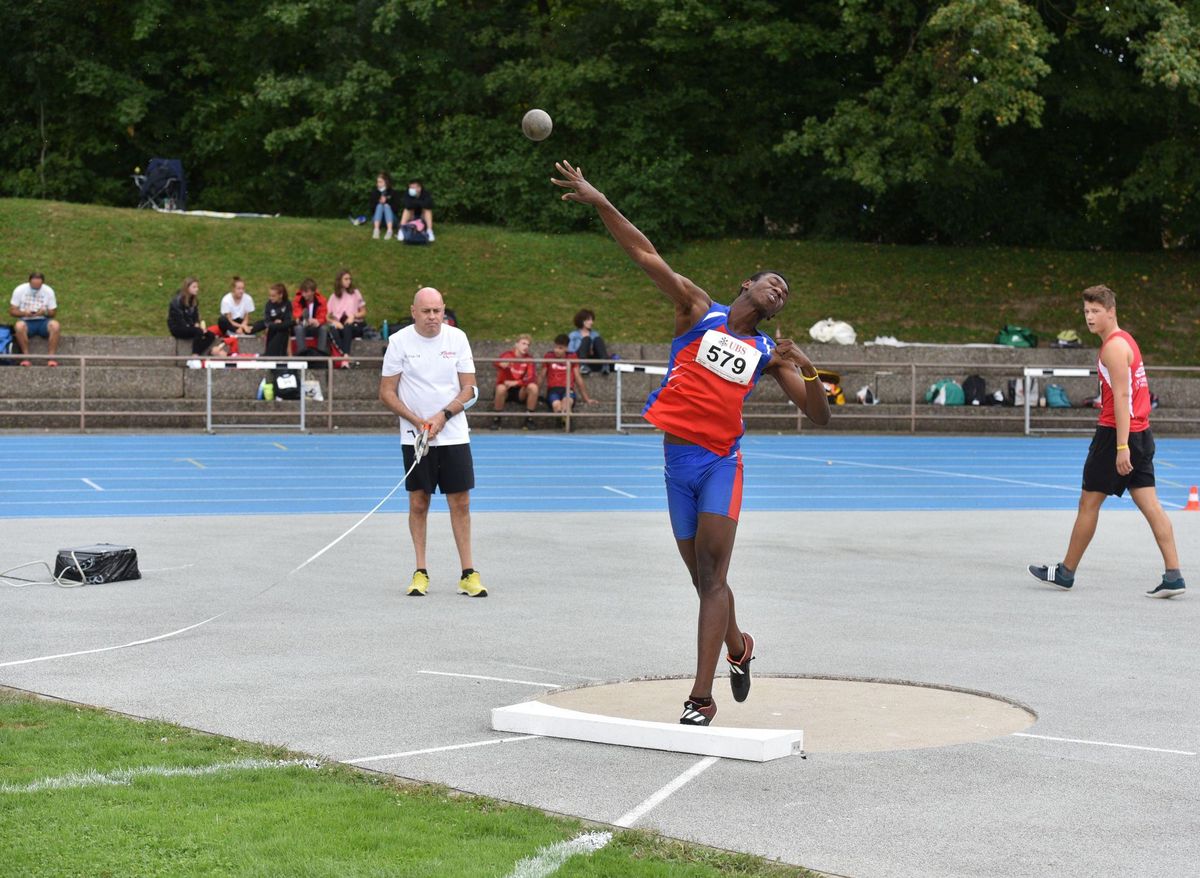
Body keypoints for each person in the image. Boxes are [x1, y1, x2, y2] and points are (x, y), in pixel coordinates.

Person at [552, 159, 832, 726]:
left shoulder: (770, 355)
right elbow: (644, 254)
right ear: (744, 286)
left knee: (712, 576)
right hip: (675, 463)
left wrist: (815, 369)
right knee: (705, 581)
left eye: (786, 293)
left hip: (720, 464)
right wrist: (601, 198)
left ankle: (700, 697)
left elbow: (820, 415)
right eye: (771, 280)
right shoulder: (700, 311)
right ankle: (739, 646)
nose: (780, 289)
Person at [1029, 284, 1185, 599]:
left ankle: (1065, 572)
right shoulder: (1126, 340)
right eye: (1086, 311)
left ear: (1110, 312)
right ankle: (1173, 575)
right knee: (1151, 505)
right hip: (1141, 433)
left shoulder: (1113, 347)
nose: (1089, 317)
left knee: (1088, 503)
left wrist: (1121, 446)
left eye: (1095, 311)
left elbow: (1123, 398)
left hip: (1117, 435)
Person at [379, 286, 486, 598]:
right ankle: (420, 571)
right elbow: (386, 391)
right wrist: (417, 420)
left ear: (444, 310)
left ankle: (468, 573)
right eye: (426, 311)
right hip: (416, 438)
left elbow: (470, 389)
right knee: (418, 502)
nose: (432, 317)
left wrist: (443, 415)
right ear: (414, 312)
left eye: (437, 310)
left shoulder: (457, 338)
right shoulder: (398, 342)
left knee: (460, 501)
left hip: (453, 434)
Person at [543, 333, 594, 427]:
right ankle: (561, 420)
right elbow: (541, 376)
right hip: (553, 390)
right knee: (557, 405)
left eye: (560, 348)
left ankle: (567, 422)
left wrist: (586, 398)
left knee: (566, 402)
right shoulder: (548, 356)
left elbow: (578, 378)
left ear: (566, 348)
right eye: (556, 347)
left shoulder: (572, 357)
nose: (556, 350)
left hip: (567, 389)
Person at [10, 271, 61, 367]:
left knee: (55, 325)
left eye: (38, 285)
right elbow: (12, 311)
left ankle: (51, 357)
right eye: (34, 285)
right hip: (26, 321)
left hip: (43, 321)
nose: (36, 287)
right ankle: (26, 357)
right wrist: (24, 313)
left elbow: (53, 312)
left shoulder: (48, 291)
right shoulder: (20, 290)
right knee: (19, 326)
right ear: (29, 282)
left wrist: (44, 312)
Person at [167, 277, 227, 357]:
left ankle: (197, 353)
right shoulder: (177, 301)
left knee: (210, 335)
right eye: (194, 287)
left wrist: (197, 324)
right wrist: (193, 326)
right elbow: (179, 319)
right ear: (187, 288)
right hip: (177, 327)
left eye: (197, 287)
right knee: (198, 332)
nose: (197, 289)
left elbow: (195, 316)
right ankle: (194, 355)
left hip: (189, 326)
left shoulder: (194, 301)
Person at [491, 333, 540, 430]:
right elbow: (496, 362)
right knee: (500, 388)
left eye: (528, 345)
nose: (526, 346)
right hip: (506, 390)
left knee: (533, 387)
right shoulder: (507, 355)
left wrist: (516, 383)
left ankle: (529, 419)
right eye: (523, 343)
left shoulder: (529, 359)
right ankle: (496, 419)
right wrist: (501, 364)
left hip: (520, 391)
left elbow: (531, 378)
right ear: (516, 344)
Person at [327, 269, 367, 365]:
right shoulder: (333, 297)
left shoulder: (355, 293)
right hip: (339, 325)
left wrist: (353, 315)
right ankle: (345, 356)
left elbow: (364, 312)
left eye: (349, 279)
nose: (349, 281)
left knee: (348, 327)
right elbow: (328, 316)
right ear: (339, 280)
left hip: (354, 325)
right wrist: (335, 322)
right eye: (346, 279)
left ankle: (345, 357)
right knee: (332, 329)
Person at [252, 283, 294, 357]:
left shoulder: (287, 304)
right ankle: (269, 353)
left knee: (285, 329)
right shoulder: (269, 304)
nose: (271, 298)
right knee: (270, 328)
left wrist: (282, 322)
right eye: (270, 296)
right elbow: (267, 320)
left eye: (273, 296)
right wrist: (274, 322)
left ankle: (288, 355)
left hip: (283, 327)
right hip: (272, 328)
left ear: (280, 295)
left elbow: (288, 319)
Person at [292, 278, 329, 356]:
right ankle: (302, 352)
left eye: (306, 292)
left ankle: (321, 354)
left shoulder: (321, 301)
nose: (303, 294)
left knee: (324, 328)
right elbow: (296, 313)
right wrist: (302, 318)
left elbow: (323, 315)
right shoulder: (298, 300)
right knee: (298, 328)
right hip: (303, 325)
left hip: (315, 327)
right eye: (302, 292)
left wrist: (317, 321)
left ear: (313, 292)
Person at [568, 308, 612, 374]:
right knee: (586, 339)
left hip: (592, 360)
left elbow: (600, 348)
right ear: (582, 321)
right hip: (578, 360)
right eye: (589, 320)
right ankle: (582, 366)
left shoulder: (595, 334)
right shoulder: (573, 335)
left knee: (598, 339)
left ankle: (605, 365)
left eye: (592, 320)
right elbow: (570, 351)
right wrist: (584, 345)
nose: (591, 322)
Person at [370, 172, 399, 240]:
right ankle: (376, 230)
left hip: (391, 220)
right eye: (377, 182)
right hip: (377, 220)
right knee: (380, 206)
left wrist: (387, 201)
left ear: (386, 182)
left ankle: (389, 231)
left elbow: (396, 209)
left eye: (380, 182)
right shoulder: (374, 193)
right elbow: (372, 209)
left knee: (386, 206)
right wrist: (378, 202)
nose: (378, 184)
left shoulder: (393, 192)